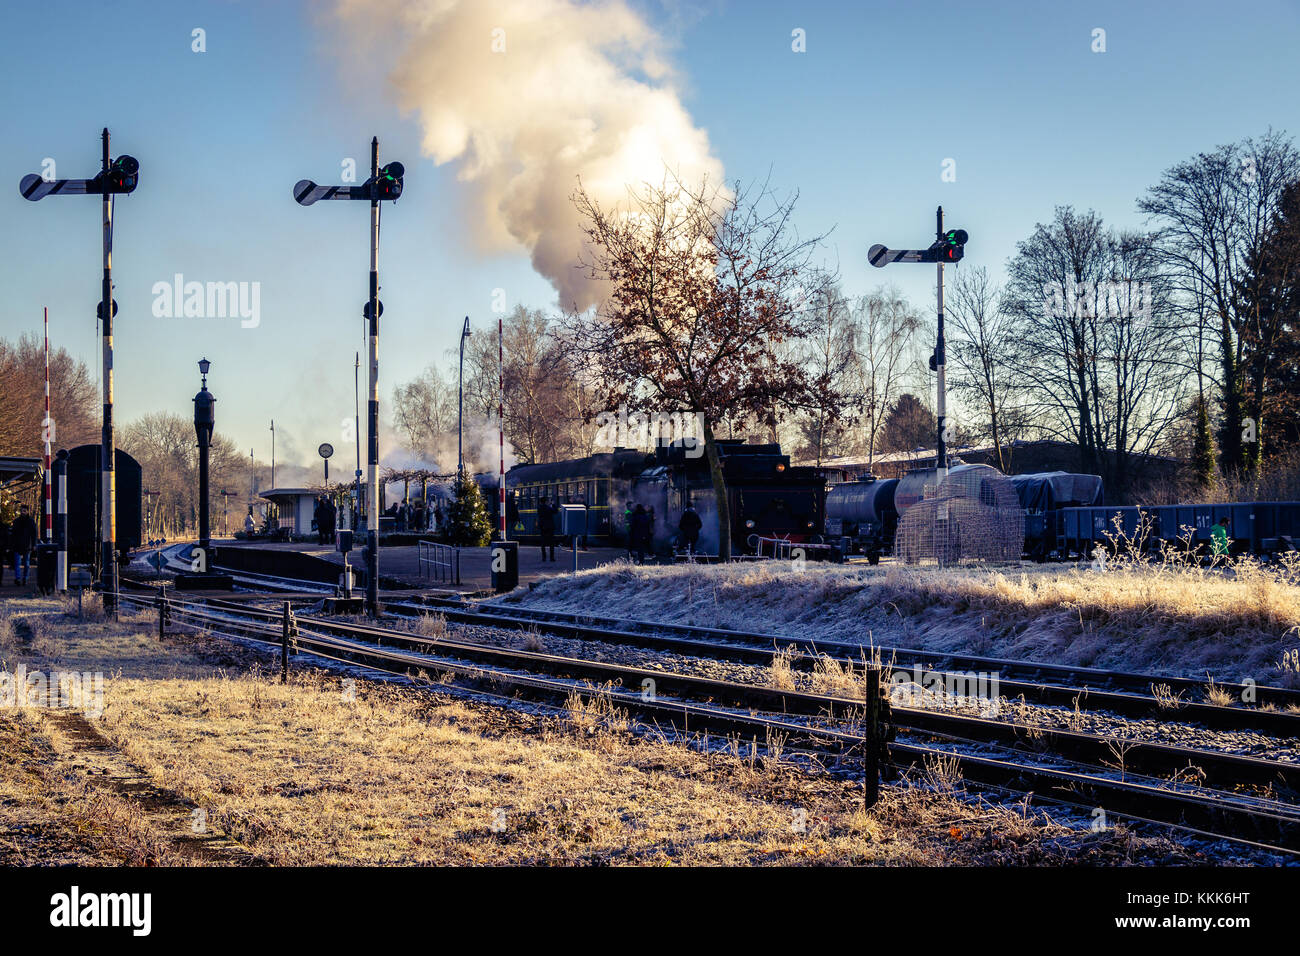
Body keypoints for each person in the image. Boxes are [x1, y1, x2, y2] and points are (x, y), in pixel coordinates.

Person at [10, 505, 38, 587]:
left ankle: (25, 578)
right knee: (17, 563)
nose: (23, 512)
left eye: (24, 511)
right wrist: (12, 544)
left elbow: (34, 534)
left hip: (27, 545)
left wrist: (34, 544)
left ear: (27, 511)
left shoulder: (31, 522)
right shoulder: (16, 521)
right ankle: (18, 578)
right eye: (22, 511)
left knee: (26, 563)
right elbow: (13, 534)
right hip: (17, 545)